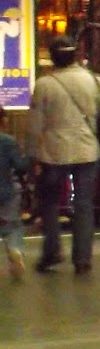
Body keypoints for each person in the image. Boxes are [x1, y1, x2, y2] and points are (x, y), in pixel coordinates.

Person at [27, 35, 100, 275]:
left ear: (53, 58)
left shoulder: (45, 84)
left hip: (53, 154)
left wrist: (32, 158)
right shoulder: (95, 81)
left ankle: (52, 252)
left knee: (50, 203)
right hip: (87, 152)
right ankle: (83, 259)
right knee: (84, 205)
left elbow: (34, 127)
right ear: (75, 55)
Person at [0, 112, 28, 280]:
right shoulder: (8, 141)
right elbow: (20, 166)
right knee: (12, 226)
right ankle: (14, 249)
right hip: (6, 192)